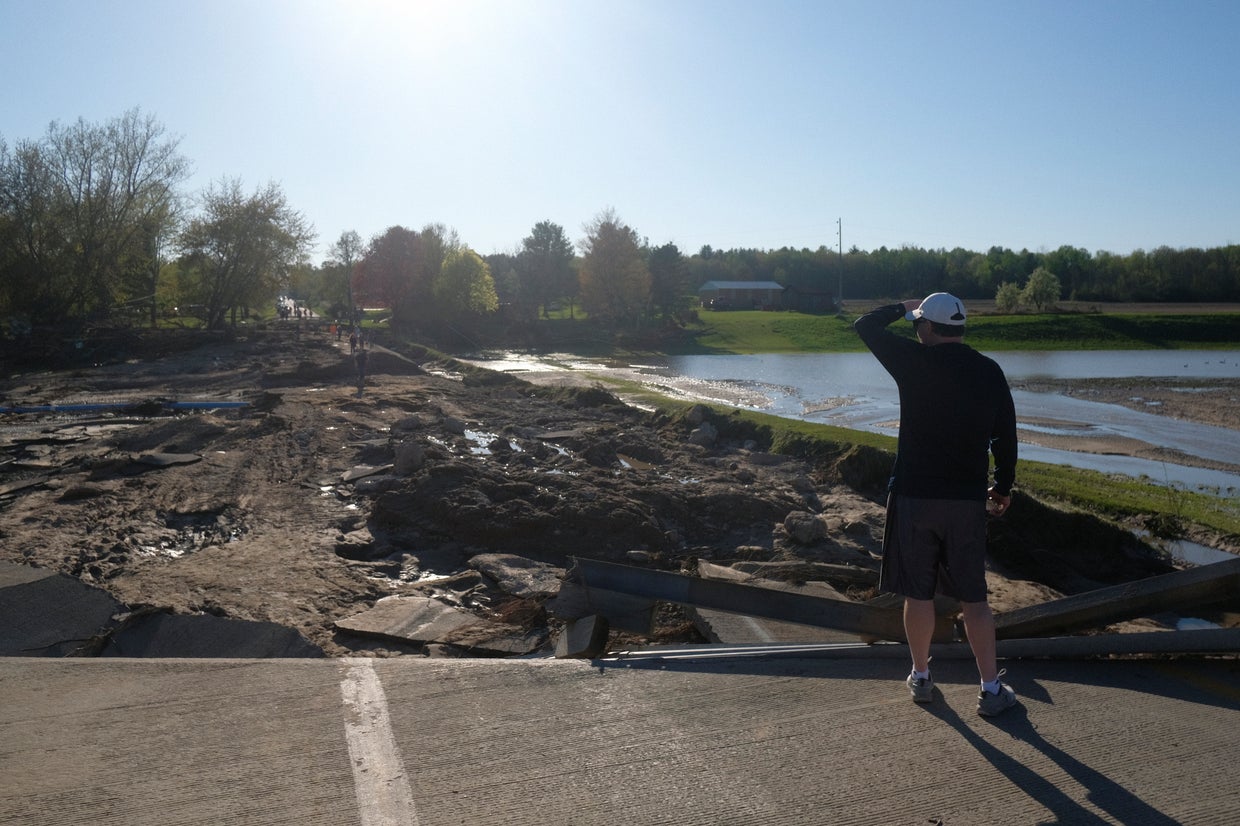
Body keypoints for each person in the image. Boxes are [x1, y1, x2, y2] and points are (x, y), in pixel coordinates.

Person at [854, 292, 1019, 717]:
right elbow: (1005, 436)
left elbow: (865, 326)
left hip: (914, 495)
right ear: (960, 328)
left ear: (927, 327)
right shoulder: (989, 371)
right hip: (965, 500)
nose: (915, 329)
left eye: (918, 323)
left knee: (918, 593)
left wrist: (901, 307)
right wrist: (1002, 486)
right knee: (974, 599)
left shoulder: (913, 361)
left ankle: (922, 677)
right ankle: (989, 689)